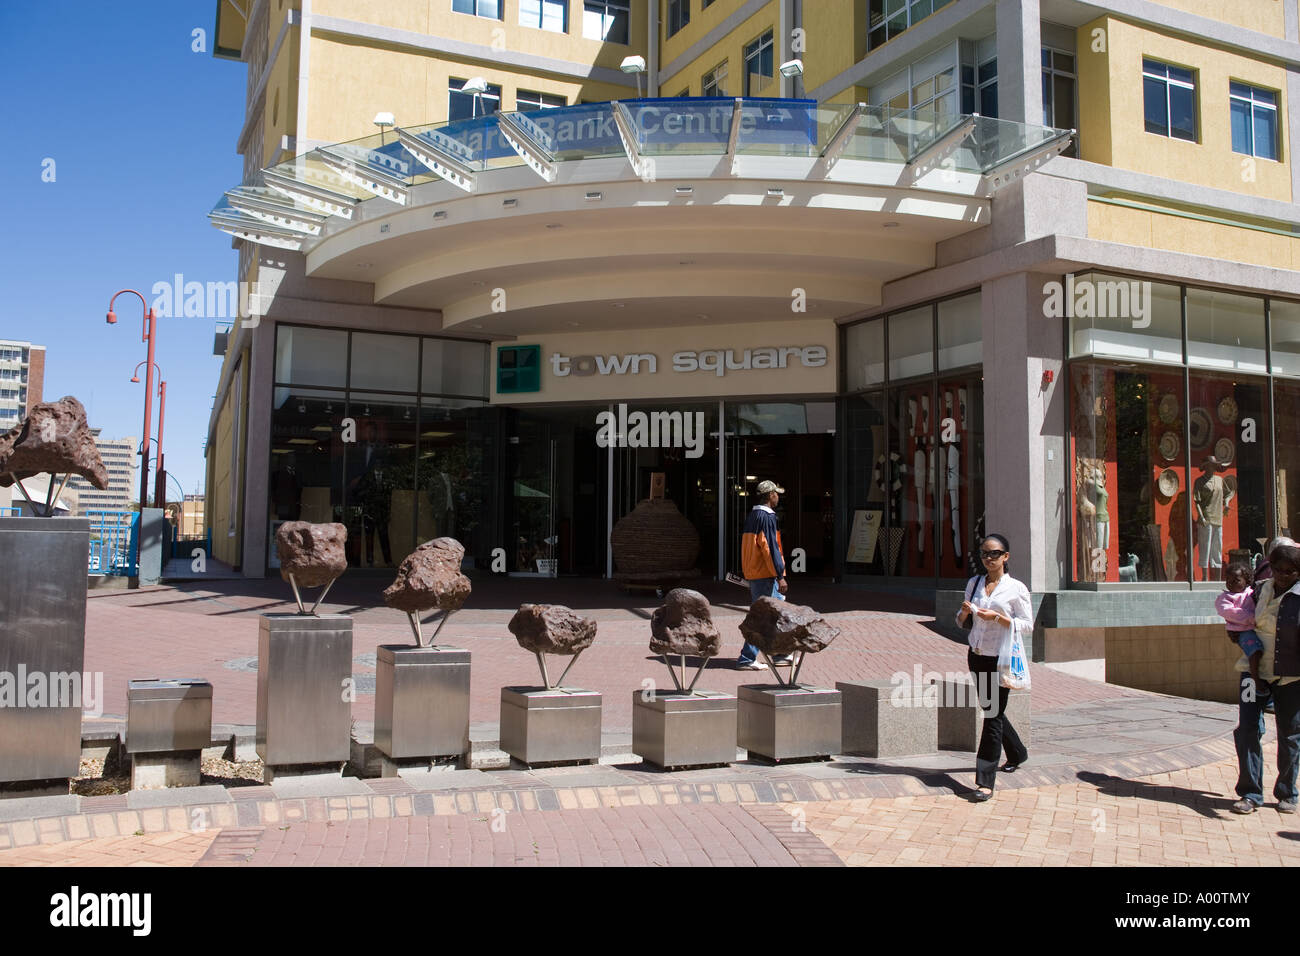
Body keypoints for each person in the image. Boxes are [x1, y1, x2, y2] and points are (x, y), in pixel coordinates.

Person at [955, 533, 1032, 802]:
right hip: (977, 655)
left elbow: (1027, 624)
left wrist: (998, 618)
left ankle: (985, 781)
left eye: (995, 553)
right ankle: (1017, 752)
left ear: (1005, 557)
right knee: (992, 710)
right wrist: (965, 613)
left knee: (991, 716)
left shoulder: (1016, 588)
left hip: (1001, 658)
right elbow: (961, 621)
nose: (989, 558)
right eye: (985, 553)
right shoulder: (974, 583)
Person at [1230, 543, 1300, 815]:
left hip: (1290, 677)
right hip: (1253, 672)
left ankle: (1287, 792)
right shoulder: (1258, 590)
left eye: (1290, 571)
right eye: (1278, 569)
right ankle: (1250, 793)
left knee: (1290, 733)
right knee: (1248, 729)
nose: (1282, 575)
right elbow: (1238, 620)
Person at [737, 479, 788, 670]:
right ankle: (748, 657)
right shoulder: (767, 517)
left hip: (755, 572)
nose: (778, 497)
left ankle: (779, 653)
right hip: (765, 573)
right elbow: (770, 548)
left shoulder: (753, 516)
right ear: (770, 495)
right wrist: (780, 575)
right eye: (776, 494)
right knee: (765, 615)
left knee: (772, 614)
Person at [1217, 562, 1262, 686]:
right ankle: (1255, 678)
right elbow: (1230, 612)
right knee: (1255, 651)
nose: (1231, 583)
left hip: (1257, 629)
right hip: (1241, 631)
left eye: (1236, 580)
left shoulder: (1252, 593)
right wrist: (1252, 618)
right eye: (1228, 580)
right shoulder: (1225, 598)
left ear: (1247, 581)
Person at [1193, 456, 1232, 581]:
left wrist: (1227, 504)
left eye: (1215, 465)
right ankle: (1205, 577)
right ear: (1206, 466)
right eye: (1211, 465)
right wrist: (1201, 517)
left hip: (1218, 518)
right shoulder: (1199, 481)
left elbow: (1229, 493)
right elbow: (1197, 501)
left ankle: (1217, 578)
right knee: (1205, 547)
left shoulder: (1219, 480)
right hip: (1206, 518)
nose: (1213, 467)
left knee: (1217, 547)